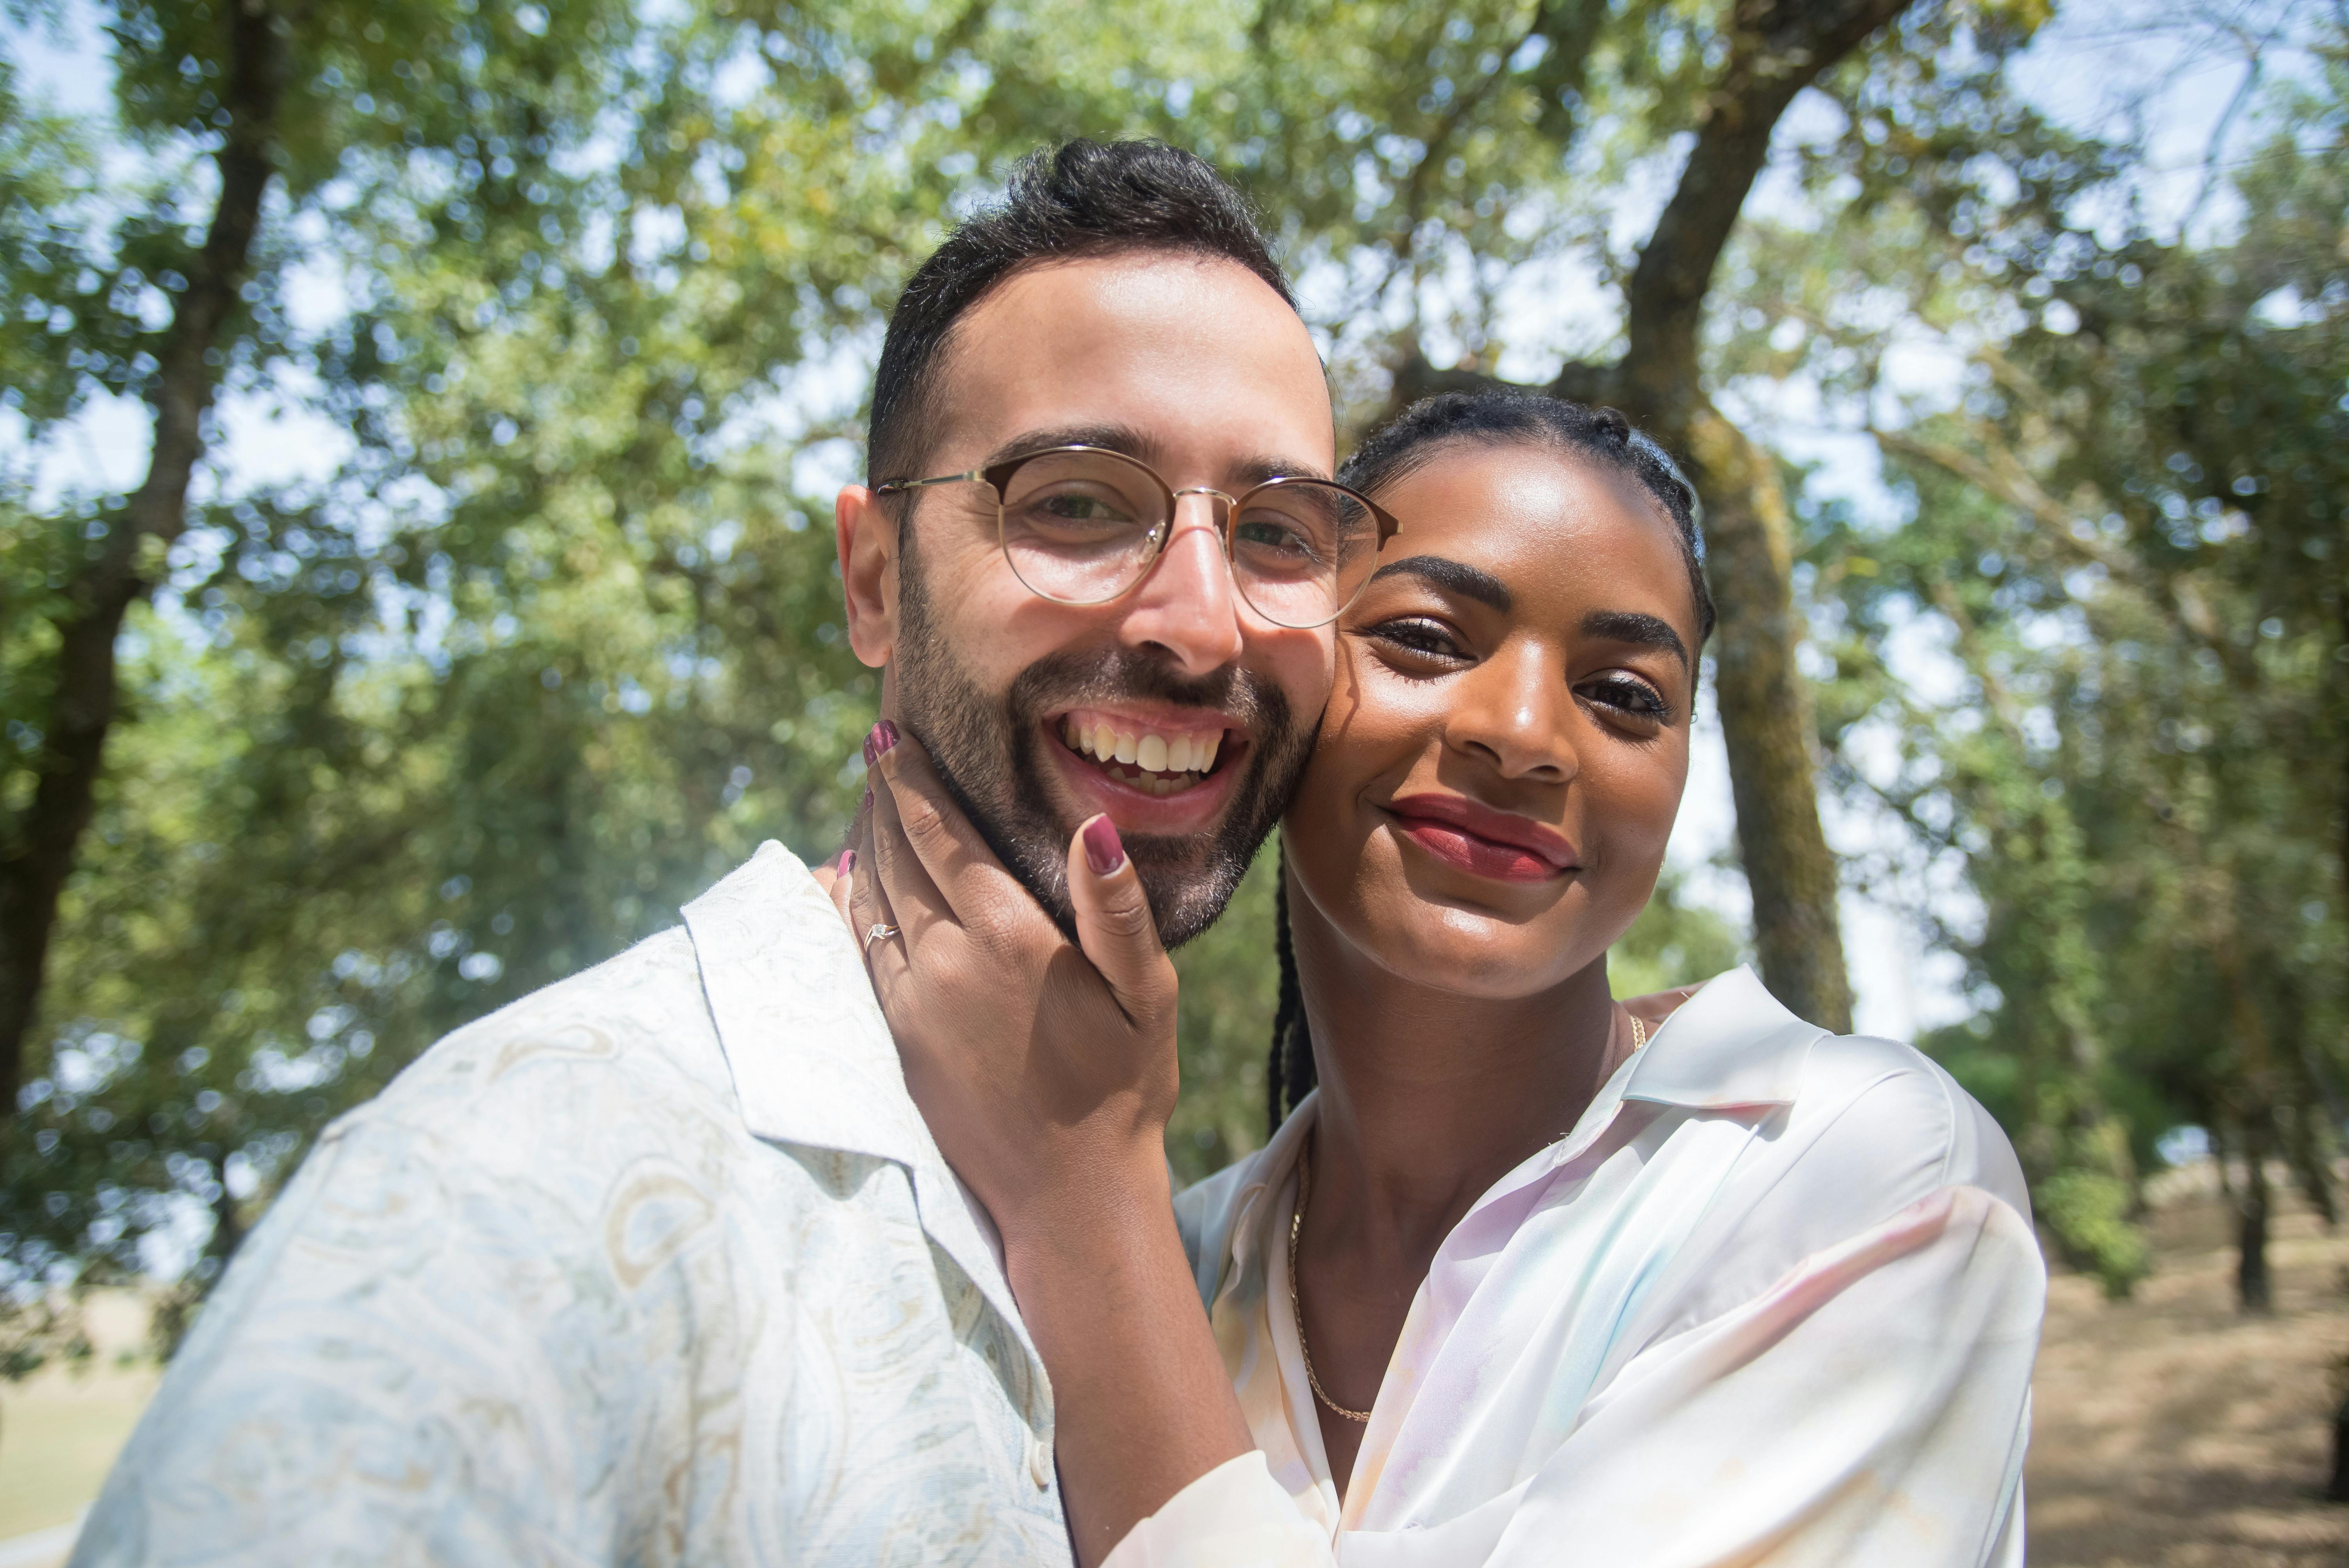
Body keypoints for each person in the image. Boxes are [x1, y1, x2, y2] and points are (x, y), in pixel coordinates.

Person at [69, 139, 1380, 1566]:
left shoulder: (1218, 1245)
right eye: (1074, 500)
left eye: (1278, 532)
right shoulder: (515, 1191)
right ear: (874, 582)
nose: (1201, 623)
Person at [851, 390, 2046, 1566]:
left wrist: (1081, 1182)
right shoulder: (1189, 1260)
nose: (1524, 733)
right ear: (1279, 688)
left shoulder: (1856, 1177)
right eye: (1425, 639)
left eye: (1625, 695)